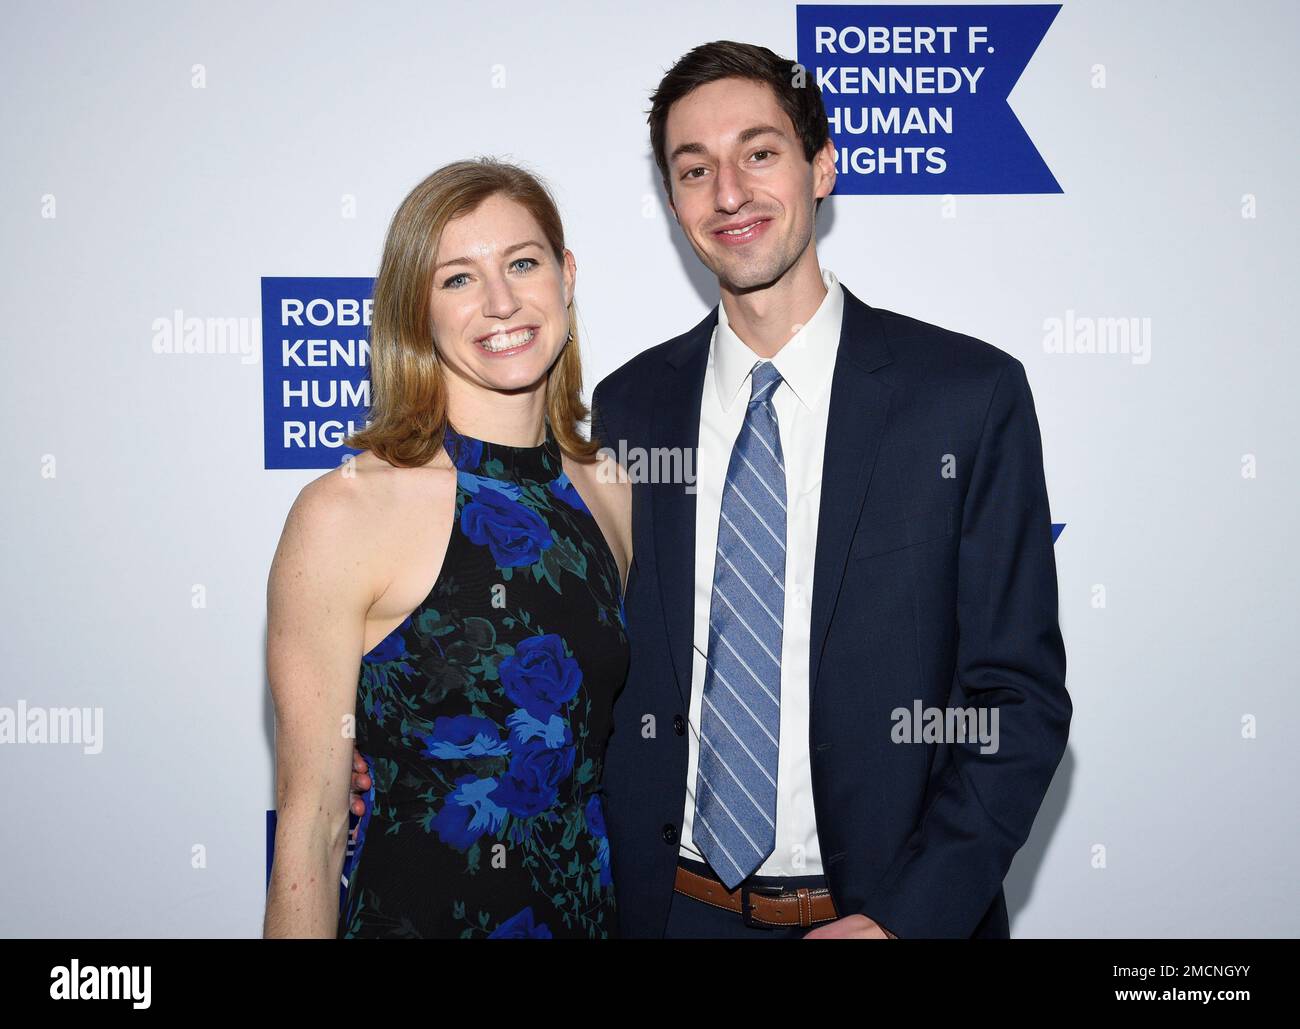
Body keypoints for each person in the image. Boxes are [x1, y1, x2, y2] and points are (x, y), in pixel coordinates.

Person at [353, 39, 1071, 939]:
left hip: (879, 917)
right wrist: (387, 740)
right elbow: (557, 642)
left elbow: (1018, 704)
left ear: (822, 166)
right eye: (695, 169)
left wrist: (904, 920)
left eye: (759, 153)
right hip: (667, 912)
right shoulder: (626, 409)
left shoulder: (964, 398)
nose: (729, 192)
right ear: (673, 203)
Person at [263, 158, 632, 939]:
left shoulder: (611, 491)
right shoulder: (347, 511)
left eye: (523, 264)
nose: (502, 302)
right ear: (415, 313)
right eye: (458, 279)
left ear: (565, 276)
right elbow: (314, 821)